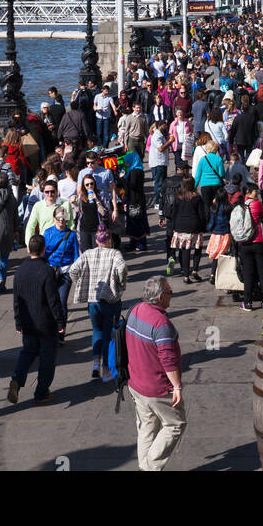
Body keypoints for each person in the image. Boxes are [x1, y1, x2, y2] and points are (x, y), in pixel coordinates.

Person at [126, 275, 187, 472]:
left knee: (147, 427)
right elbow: (168, 360)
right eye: (170, 293)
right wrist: (176, 387)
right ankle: (149, 468)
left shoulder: (135, 310)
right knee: (175, 424)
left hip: (136, 382)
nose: (171, 296)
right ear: (160, 297)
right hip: (157, 387)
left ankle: (145, 467)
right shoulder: (161, 324)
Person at [7, 233, 65, 406]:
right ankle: (41, 392)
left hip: (28, 322)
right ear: (43, 250)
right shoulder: (47, 270)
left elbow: (16, 300)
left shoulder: (19, 271)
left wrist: (18, 322)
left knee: (27, 352)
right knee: (47, 359)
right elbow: (53, 301)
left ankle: (17, 379)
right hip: (45, 324)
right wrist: (60, 322)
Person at [69, 228, 127, 379]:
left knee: (96, 330)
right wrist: (120, 284)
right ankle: (106, 369)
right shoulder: (115, 254)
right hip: (111, 301)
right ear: (109, 241)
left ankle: (96, 364)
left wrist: (81, 284)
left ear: (96, 240)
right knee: (109, 334)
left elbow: (73, 270)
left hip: (93, 301)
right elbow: (122, 270)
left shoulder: (88, 254)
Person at [230, 184, 263, 312]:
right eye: (255, 192)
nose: (257, 194)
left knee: (248, 273)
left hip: (244, 243)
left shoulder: (239, 206)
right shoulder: (257, 204)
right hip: (259, 242)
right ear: (248, 192)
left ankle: (247, 302)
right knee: (262, 271)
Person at [43, 205, 79, 319]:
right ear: (54, 218)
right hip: (50, 270)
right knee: (51, 300)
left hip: (66, 271)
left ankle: (61, 330)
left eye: (64, 218)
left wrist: (77, 271)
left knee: (62, 300)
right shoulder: (47, 233)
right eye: (58, 218)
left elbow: (76, 254)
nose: (61, 221)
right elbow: (43, 253)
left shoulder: (72, 235)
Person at [172, 177, 207, 283]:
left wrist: (173, 227)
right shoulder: (196, 197)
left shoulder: (178, 197)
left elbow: (174, 213)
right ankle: (195, 270)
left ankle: (186, 276)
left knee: (184, 251)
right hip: (194, 226)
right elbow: (202, 214)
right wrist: (203, 227)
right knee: (197, 248)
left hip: (181, 226)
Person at [74, 170, 110, 254]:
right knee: (86, 253)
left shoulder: (100, 194)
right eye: (87, 184)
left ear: (94, 184)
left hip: (97, 229)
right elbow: (77, 212)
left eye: (91, 183)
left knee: (97, 252)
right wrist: (74, 203)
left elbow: (103, 213)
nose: (89, 186)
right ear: (84, 186)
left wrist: (96, 200)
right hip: (84, 229)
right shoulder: (81, 197)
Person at [123, 151, 150, 253]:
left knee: (137, 221)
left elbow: (133, 185)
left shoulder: (135, 171)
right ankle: (133, 243)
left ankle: (141, 244)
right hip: (135, 199)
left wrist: (123, 179)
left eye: (127, 161)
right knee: (133, 221)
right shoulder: (135, 169)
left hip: (136, 200)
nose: (126, 163)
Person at [148, 120, 170, 211]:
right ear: (159, 126)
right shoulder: (156, 136)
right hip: (158, 163)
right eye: (164, 126)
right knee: (159, 184)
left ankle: (161, 201)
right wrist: (170, 141)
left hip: (161, 162)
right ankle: (157, 202)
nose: (166, 128)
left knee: (163, 183)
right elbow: (160, 148)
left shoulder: (160, 135)